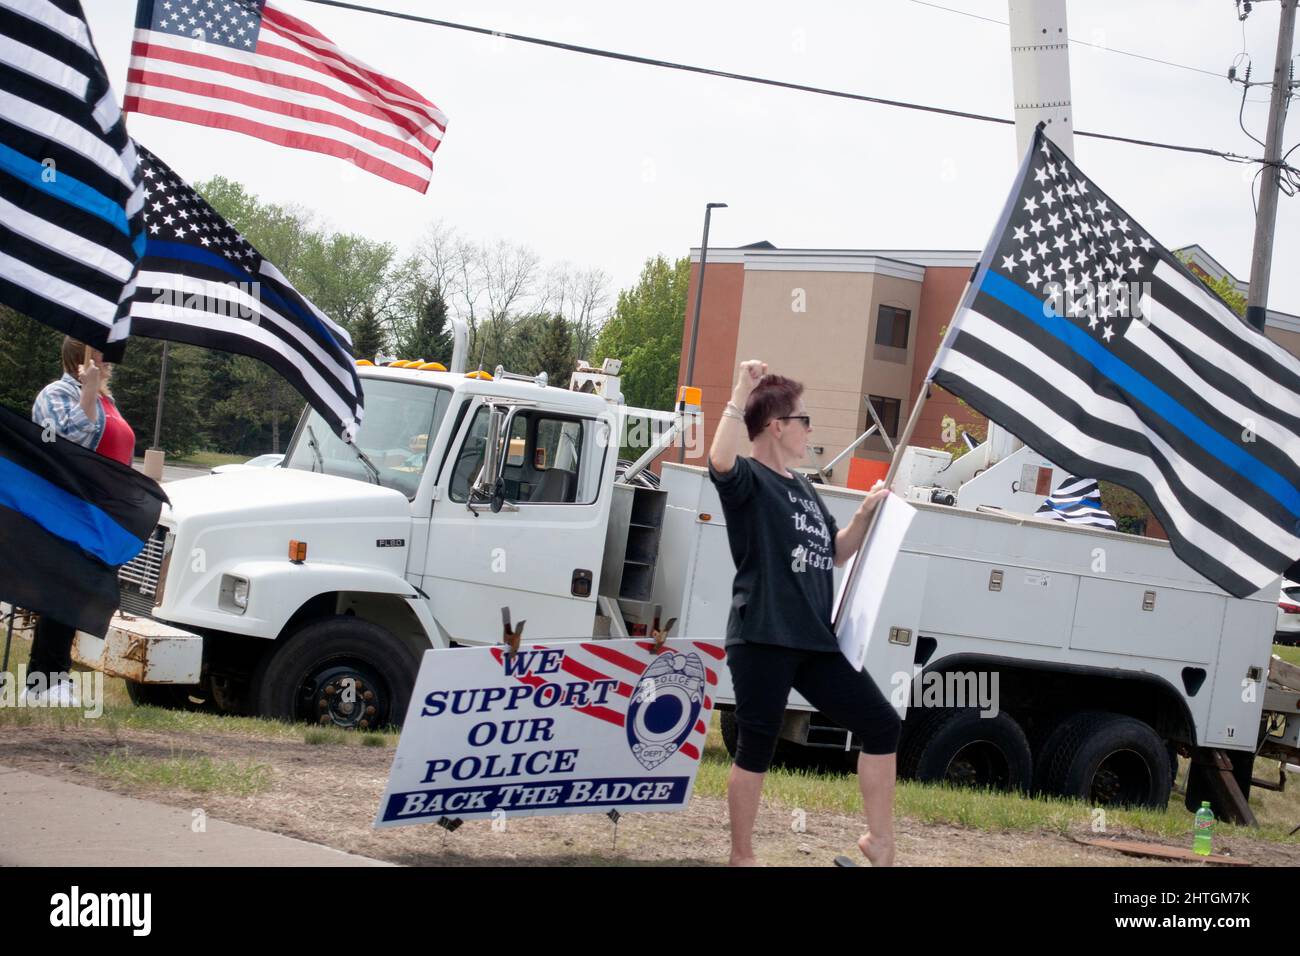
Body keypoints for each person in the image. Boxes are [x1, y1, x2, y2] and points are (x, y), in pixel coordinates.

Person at [708, 359, 901, 866]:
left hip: (815, 641)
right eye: (803, 419)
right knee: (756, 748)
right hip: (763, 636)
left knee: (882, 724)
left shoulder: (803, 485)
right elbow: (720, 460)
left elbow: (835, 552)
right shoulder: (748, 478)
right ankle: (742, 857)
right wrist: (740, 390)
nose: (810, 428)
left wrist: (863, 516)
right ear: (777, 426)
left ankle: (879, 843)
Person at [25, 338, 137, 704]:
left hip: (104, 513)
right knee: (64, 590)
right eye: (100, 350)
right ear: (82, 355)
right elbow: (66, 441)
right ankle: (42, 683)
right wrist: (87, 391)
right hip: (72, 508)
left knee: (83, 593)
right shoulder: (56, 394)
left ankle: (56, 678)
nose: (108, 357)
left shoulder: (108, 399)